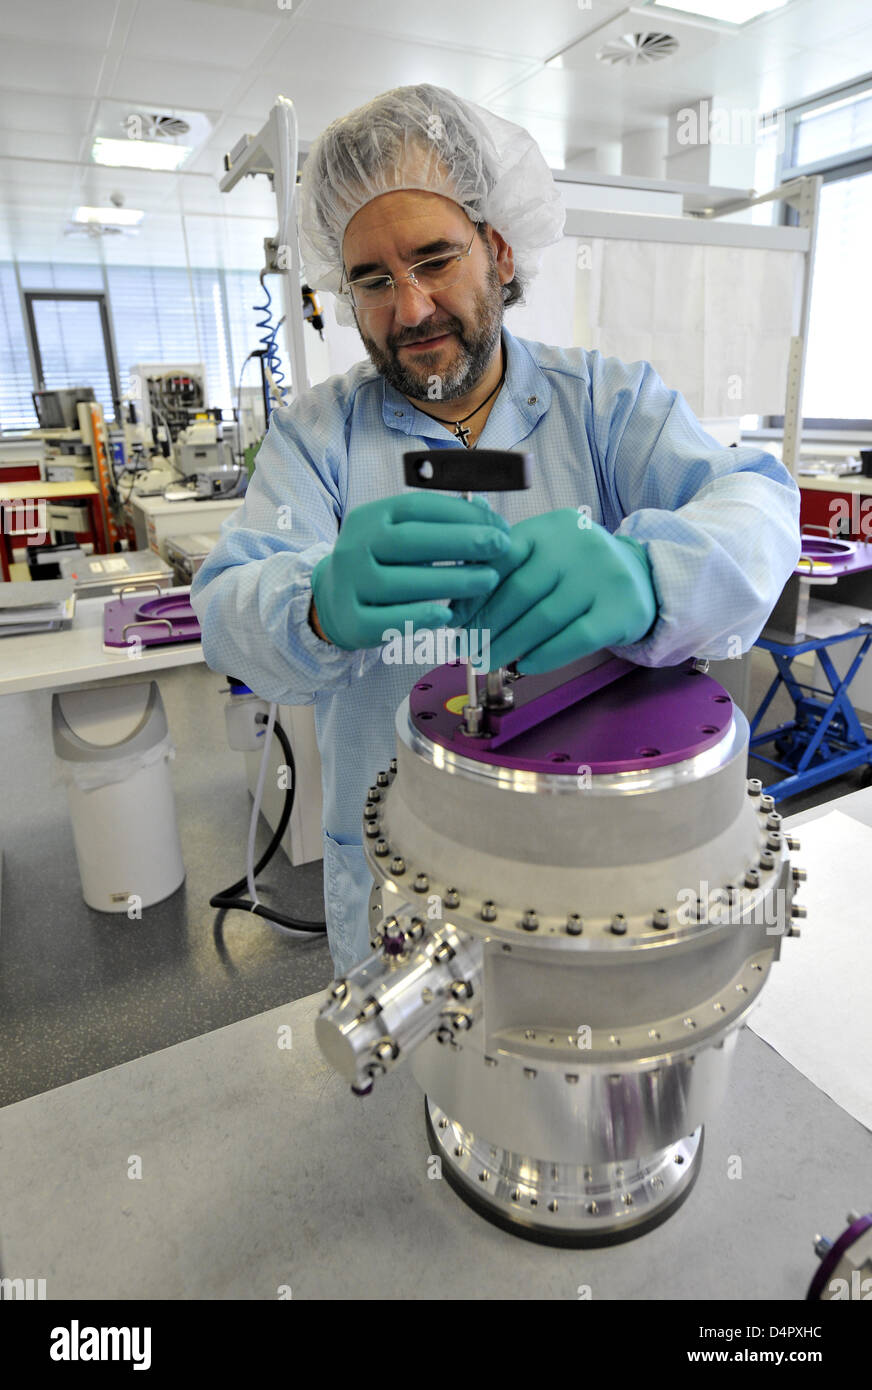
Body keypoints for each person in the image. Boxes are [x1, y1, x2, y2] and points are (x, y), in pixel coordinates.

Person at [191, 83, 801, 976]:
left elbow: (757, 503)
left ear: (500, 250)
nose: (410, 309)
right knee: (415, 1092)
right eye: (372, 280)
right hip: (404, 882)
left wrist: (652, 574)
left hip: (598, 879)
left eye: (435, 260)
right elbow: (224, 616)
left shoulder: (605, 402)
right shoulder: (317, 439)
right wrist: (313, 606)